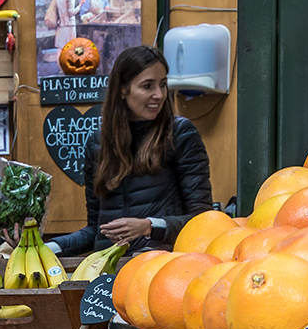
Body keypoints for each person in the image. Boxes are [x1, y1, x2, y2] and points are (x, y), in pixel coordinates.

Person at [50, 44, 213, 258]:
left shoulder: (180, 134)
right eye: (147, 86)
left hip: (160, 268)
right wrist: (43, 247)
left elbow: (202, 221)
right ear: (123, 90)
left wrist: (149, 226)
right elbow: (95, 231)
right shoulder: (97, 143)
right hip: (108, 270)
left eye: (163, 85)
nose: (159, 95)